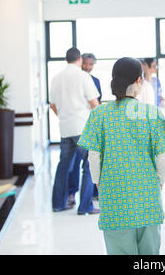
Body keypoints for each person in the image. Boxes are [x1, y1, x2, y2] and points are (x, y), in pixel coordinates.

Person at [78, 57, 165, 255]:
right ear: (138, 81)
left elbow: (93, 157)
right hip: (147, 197)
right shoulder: (152, 114)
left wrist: (97, 182)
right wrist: (160, 182)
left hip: (114, 197)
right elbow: (162, 158)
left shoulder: (99, 115)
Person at [50, 47, 100, 215]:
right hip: (82, 128)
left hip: (65, 129)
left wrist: (64, 117)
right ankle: (85, 206)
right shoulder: (83, 76)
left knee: (63, 166)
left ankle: (58, 204)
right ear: (79, 59)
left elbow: (52, 105)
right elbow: (94, 104)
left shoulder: (56, 78)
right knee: (88, 166)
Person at [67, 53, 101, 206]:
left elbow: (97, 104)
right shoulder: (76, 79)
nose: (88, 67)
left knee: (91, 163)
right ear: (80, 62)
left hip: (88, 126)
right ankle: (73, 195)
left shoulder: (95, 81)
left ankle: (93, 194)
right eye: (85, 63)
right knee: (76, 164)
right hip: (79, 126)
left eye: (91, 64)